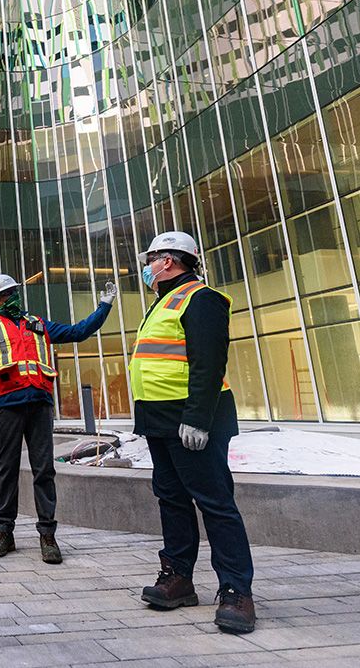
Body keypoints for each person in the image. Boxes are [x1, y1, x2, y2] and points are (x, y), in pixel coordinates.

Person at [130, 231, 256, 634]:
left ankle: (237, 591)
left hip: (192, 419)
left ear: (169, 261)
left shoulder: (201, 300)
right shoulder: (163, 302)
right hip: (159, 420)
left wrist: (198, 418)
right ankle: (178, 577)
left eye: (151, 259)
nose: (147, 267)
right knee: (171, 499)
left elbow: (208, 363)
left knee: (215, 502)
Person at [0, 273, 116, 563]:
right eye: (6, 294)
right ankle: (4, 532)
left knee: (43, 470)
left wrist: (104, 306)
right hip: (8, 407)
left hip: (39, 406)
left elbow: (78, 332)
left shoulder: (39, 324)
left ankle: (47, 534)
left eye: (14, 291)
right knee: (7, 469)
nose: (13, 297)